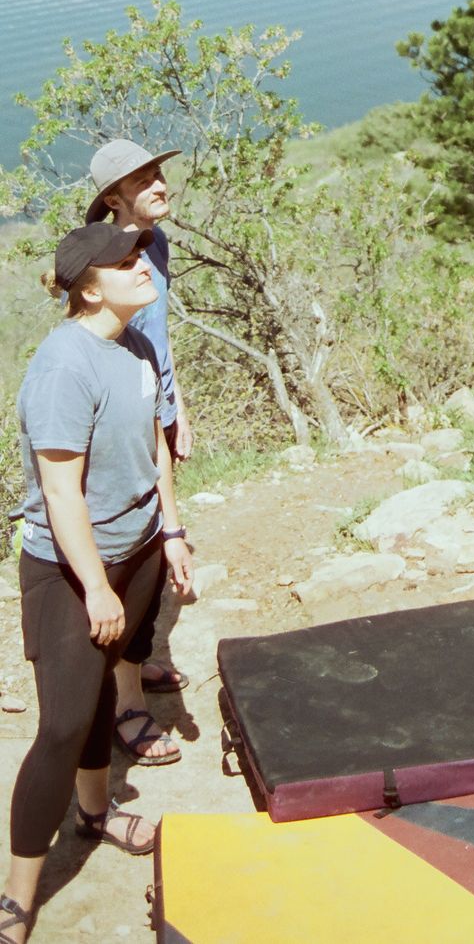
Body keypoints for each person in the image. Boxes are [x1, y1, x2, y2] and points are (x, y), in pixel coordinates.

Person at [1, 221, 195, 944]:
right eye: (124, 261)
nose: (142, 264)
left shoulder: (137, 343)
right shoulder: (64, 366)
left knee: (95, 703)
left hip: (140, 548)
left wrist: (170, 532)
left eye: (140, 254)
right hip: (71, 566)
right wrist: (98, 587)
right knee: (59, 724)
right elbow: (59, 493)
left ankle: (93, 812)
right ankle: (18, 898)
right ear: (89, 286)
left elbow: (154, 443)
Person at [85, 141, 192, 768]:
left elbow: (157, 340)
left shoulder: (156, 244)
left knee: (155, 552)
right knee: (133, 553)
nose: (159, 183)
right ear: (113, 198)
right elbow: (112, 351)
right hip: (129, 422)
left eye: (157, 172)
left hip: (157, 407)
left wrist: (179, 405)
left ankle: (143, 658)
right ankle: (125, 701)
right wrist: (153, 419)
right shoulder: (107, 259)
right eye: (142, 178)